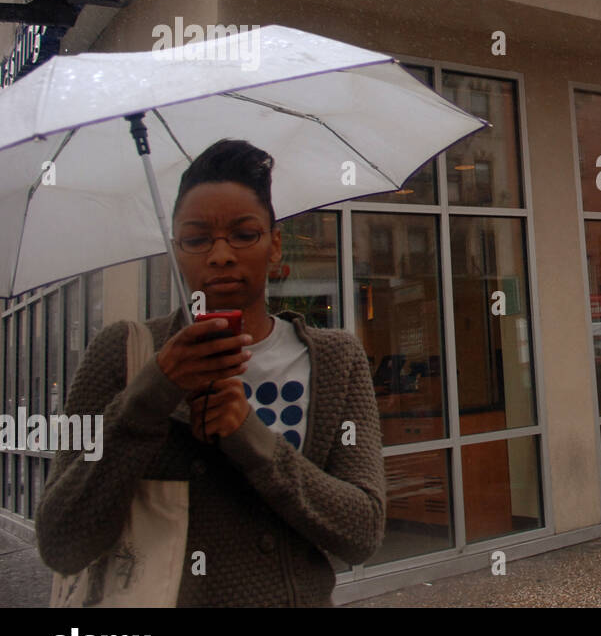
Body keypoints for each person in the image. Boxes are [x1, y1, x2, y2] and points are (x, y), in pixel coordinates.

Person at [37, 139, 386, 606]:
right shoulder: (122, 354)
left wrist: (249, 437)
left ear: (275, 243)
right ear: (176, 249)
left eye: (244, 234)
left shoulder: (336, 360)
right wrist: (150, 397)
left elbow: (362, 532)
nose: (221, 255)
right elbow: (61, 542)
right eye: (198, 239)